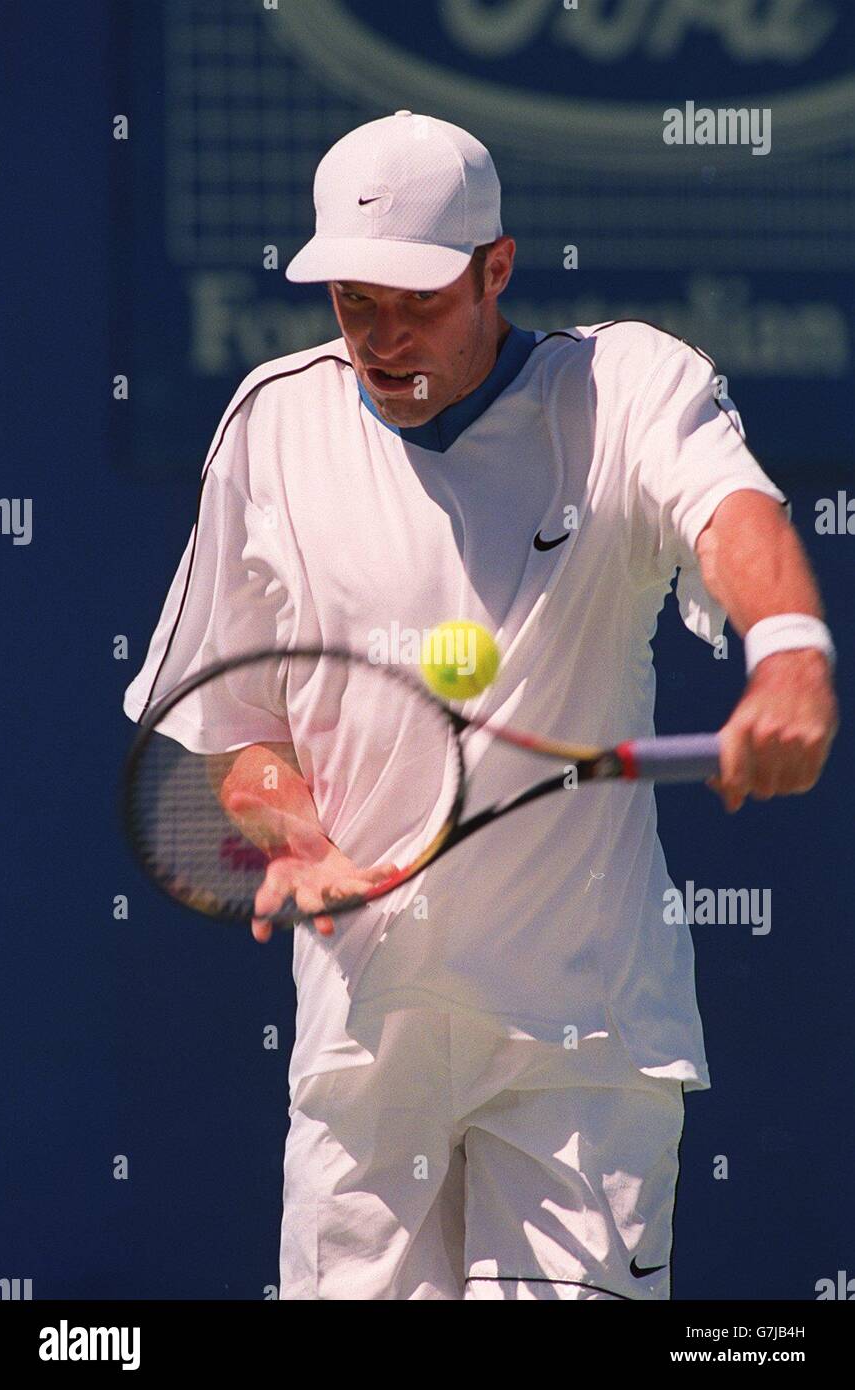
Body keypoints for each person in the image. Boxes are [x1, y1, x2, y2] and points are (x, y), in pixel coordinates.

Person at [124, 111, 838, 1300]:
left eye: (417, 302)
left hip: (584, 1042)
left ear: (494, 269)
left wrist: (791, 658)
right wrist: (294, 839)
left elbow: (732, 513)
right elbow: (231, 730)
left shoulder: (623, 390)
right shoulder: (270, 423)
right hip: (367, 1043)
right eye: (356, 303)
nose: (382, 337)